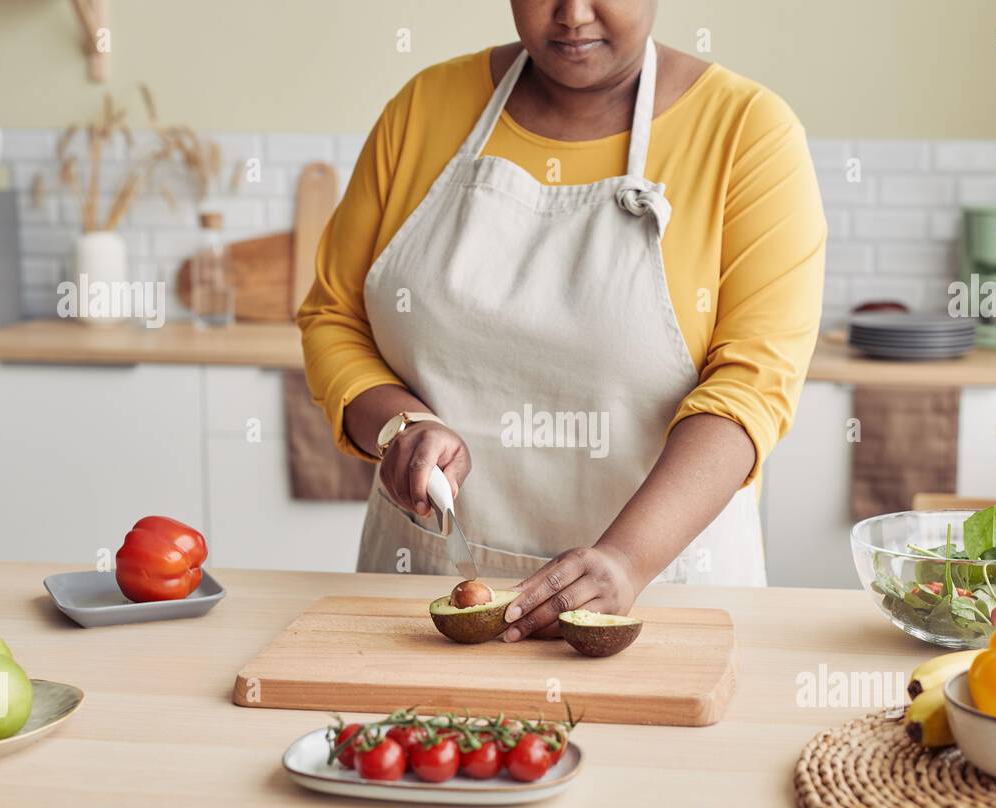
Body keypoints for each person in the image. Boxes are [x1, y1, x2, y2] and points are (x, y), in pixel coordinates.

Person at [297, 0, 826, 641]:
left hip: (665, 593)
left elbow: (749, 389)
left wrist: (627, 560)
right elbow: (334, 316)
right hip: (423, 588)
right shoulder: (424, 108)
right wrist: (399, 423)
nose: (572, 14)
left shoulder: (746, 131)